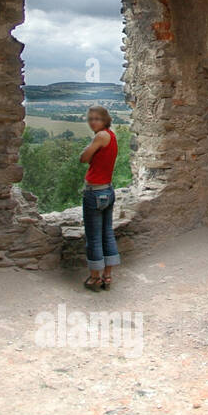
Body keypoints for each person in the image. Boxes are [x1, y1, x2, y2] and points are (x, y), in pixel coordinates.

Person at [79, 105, 119, 291]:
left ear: (105, 120)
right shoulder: (111, 135)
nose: (93, 122)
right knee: (107, 233)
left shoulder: (101, 136)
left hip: (95, 192)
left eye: (97, 118)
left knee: (94, 237)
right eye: (90, 119)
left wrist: (88, 148)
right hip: (108, 191)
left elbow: (84, 158)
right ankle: (108, 276)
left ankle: (95, 278)